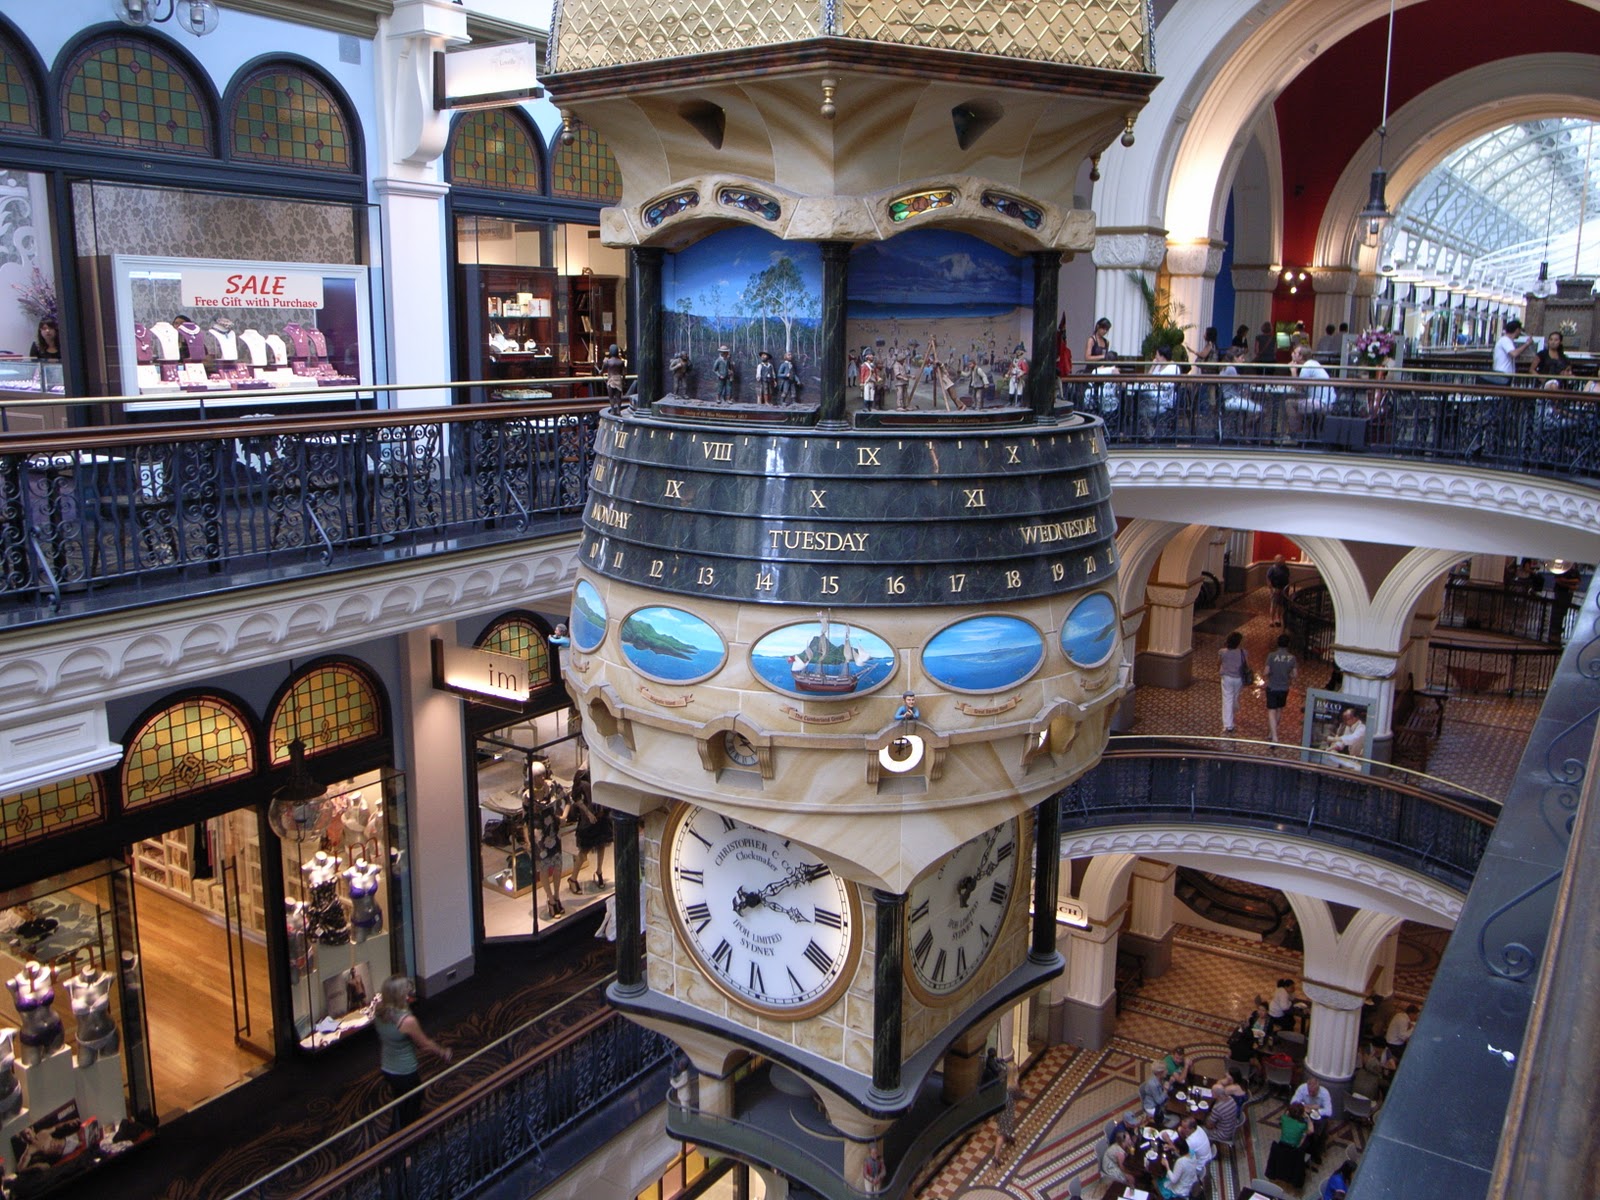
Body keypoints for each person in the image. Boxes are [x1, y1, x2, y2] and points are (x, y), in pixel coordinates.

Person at [375, 974, 452, 1129]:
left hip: (387, 1067)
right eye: (405, 990)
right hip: (405, 1071)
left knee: (400, 1102)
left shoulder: (379, 1012)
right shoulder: (407, 1021)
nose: (409, 992)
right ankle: (404, 1142)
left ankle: (396, 1135)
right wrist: (443, 1052)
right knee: (412, 1103)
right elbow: (424, 1044)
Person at [523, 762, 567, 919]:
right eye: (538, 776)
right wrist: (527, 840)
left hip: (553, 830)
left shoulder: (553, 786)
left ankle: (556, 895)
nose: (542, 778)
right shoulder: (528, 796)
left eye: (543, 775)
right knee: (544, 867)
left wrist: (564, 816)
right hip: (538, 835)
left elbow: (567, 799)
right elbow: (525, 819)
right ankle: (550, 899)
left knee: (557, 865)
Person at [565, 768, 611, 893]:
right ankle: (573, 878)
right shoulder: (582, 774)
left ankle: (599, 871)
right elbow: (576, 797)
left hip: (601, 813)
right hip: (589, 816)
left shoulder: (601, 768)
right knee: (584, 849)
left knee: (601, 844)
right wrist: (587, 812)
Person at [1263, 634, 1299, 742]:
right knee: (1279, 710)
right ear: (1288, 644)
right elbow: (1295, 675)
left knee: (1271, 711)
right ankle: (1272, 732)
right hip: (1284, 688)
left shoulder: (1271, 656)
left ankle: (1274, 736)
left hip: (1272, 687)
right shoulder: (1292, 658)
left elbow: (1266, 671)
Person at [1291, 1076, 1334, 1161]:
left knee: (1319, 1129)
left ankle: (1315, 1151)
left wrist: (1317, 1110)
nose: (1310, 1094)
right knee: (1300, 1124)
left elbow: (1329, 1111)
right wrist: (1305, 1107)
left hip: (1318, 1115)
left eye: (1313, 1092)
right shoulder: (1302, 1089)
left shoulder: (1324, 1093)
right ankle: (1300, 1146)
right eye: (1309, 1091)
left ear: (1318, 1089)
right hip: (1304, 1112)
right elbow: (1293, 1102)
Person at [1218, 630, 1248, 733]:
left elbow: (1219, 663)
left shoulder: (1222, 652)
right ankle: (1233, 709)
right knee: (1235, 696)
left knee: (1227, 699)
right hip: (1239, 678)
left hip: (1227, 678)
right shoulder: (1243, 652)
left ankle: (1228, 725)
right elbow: (1246, 664)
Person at [1266, 554, 1292, 626]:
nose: (1283, 560)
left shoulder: (1286, 568)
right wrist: (1271, 588)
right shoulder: (1272, 569)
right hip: (1275, 589)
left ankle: (1278, 619)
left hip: (1284, 589)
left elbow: (1288, 577)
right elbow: (1268, 579)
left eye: (1282, 559)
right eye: (1280, 559)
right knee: (1274, 604)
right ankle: (1271, 620)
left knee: (1280, 605)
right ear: (1276, 560)